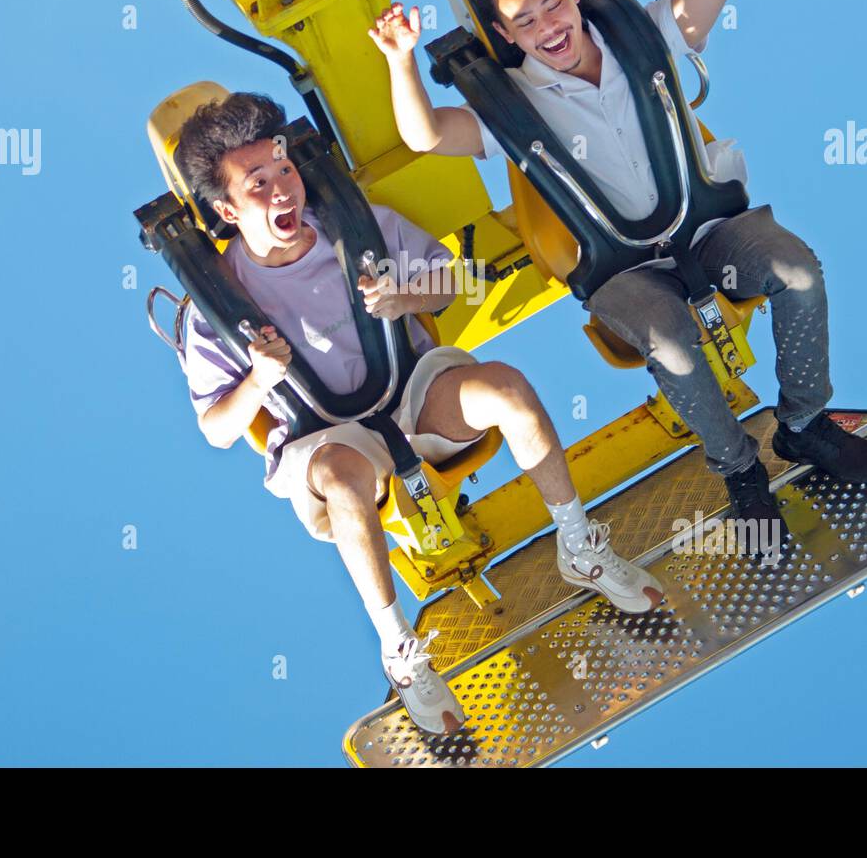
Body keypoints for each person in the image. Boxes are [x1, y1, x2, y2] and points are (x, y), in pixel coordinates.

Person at [369, 0, 867, 534]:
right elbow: (426, 135)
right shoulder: (511, 106)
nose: (547, 25)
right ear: (505, 32)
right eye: (524, 21)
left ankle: (803, 422)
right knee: (671, 339)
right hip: (623, 274)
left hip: (708, 233)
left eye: (552, 2)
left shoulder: (642, 34)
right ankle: (738, 467)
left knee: (796, 268)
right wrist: (400, 59)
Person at [174, 91, 666, 735]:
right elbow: (216, 429)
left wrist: (405, 297)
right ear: (226, 208)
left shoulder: (357, 228)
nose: (281, 193)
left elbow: (451, 278)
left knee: (508, 390)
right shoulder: (214, 307)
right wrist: (259, 377)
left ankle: (579, 543)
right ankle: (400, 649)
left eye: (285, 170)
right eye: (258, 183)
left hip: (411, 392)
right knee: (346, 476)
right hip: (328, 435)